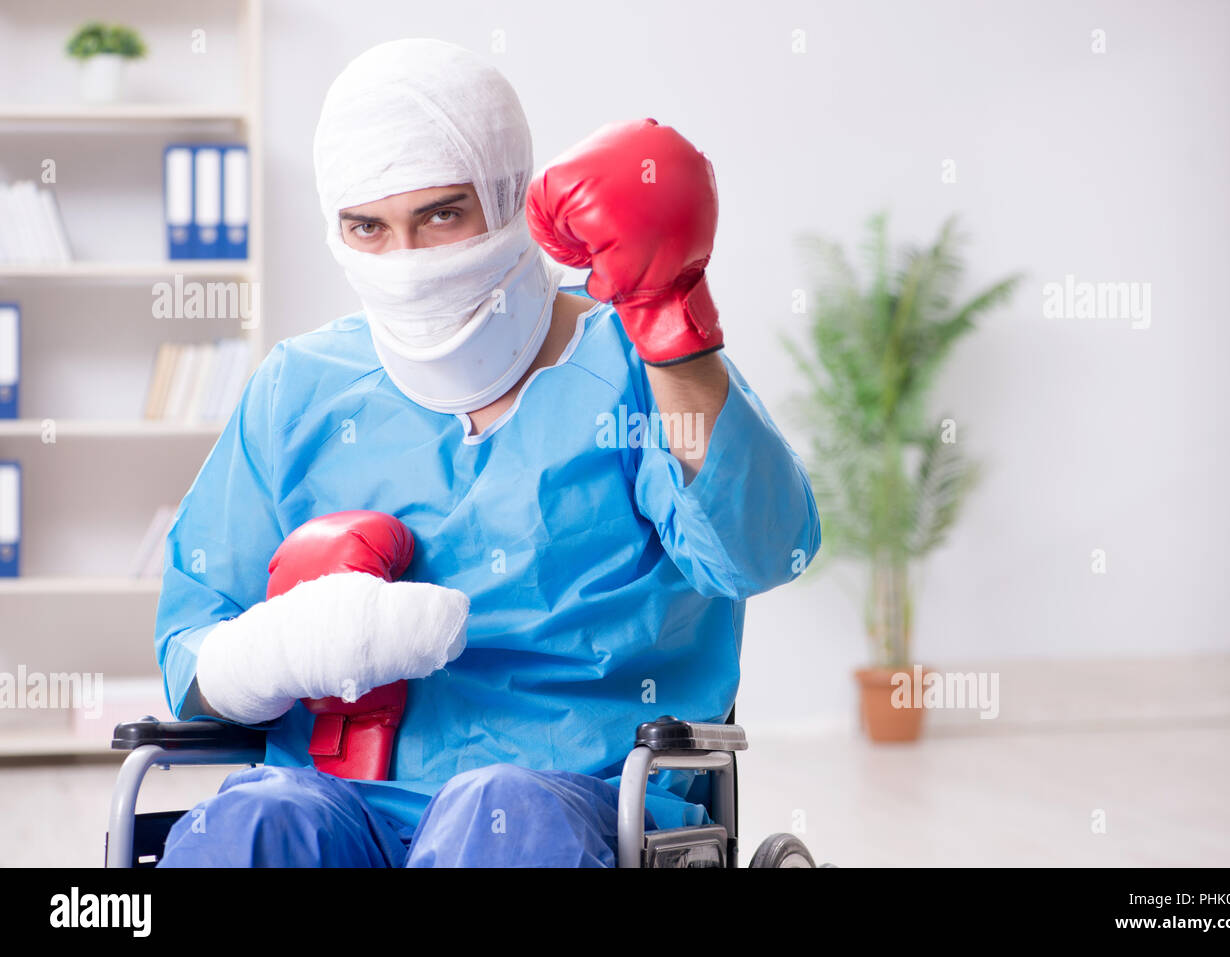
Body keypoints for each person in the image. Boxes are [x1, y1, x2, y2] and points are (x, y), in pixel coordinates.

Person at [153, 37, 820, 868]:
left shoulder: (631, 365)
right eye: (369, 226)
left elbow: (760, 548)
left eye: (441, 214)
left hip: (580, 803)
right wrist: (281, 650)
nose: (407, 261)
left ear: (511, 199)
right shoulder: (299, 389)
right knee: (249, 824)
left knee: (498, 809)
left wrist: (675, 327)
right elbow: (192, 642)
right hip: (342, 805)